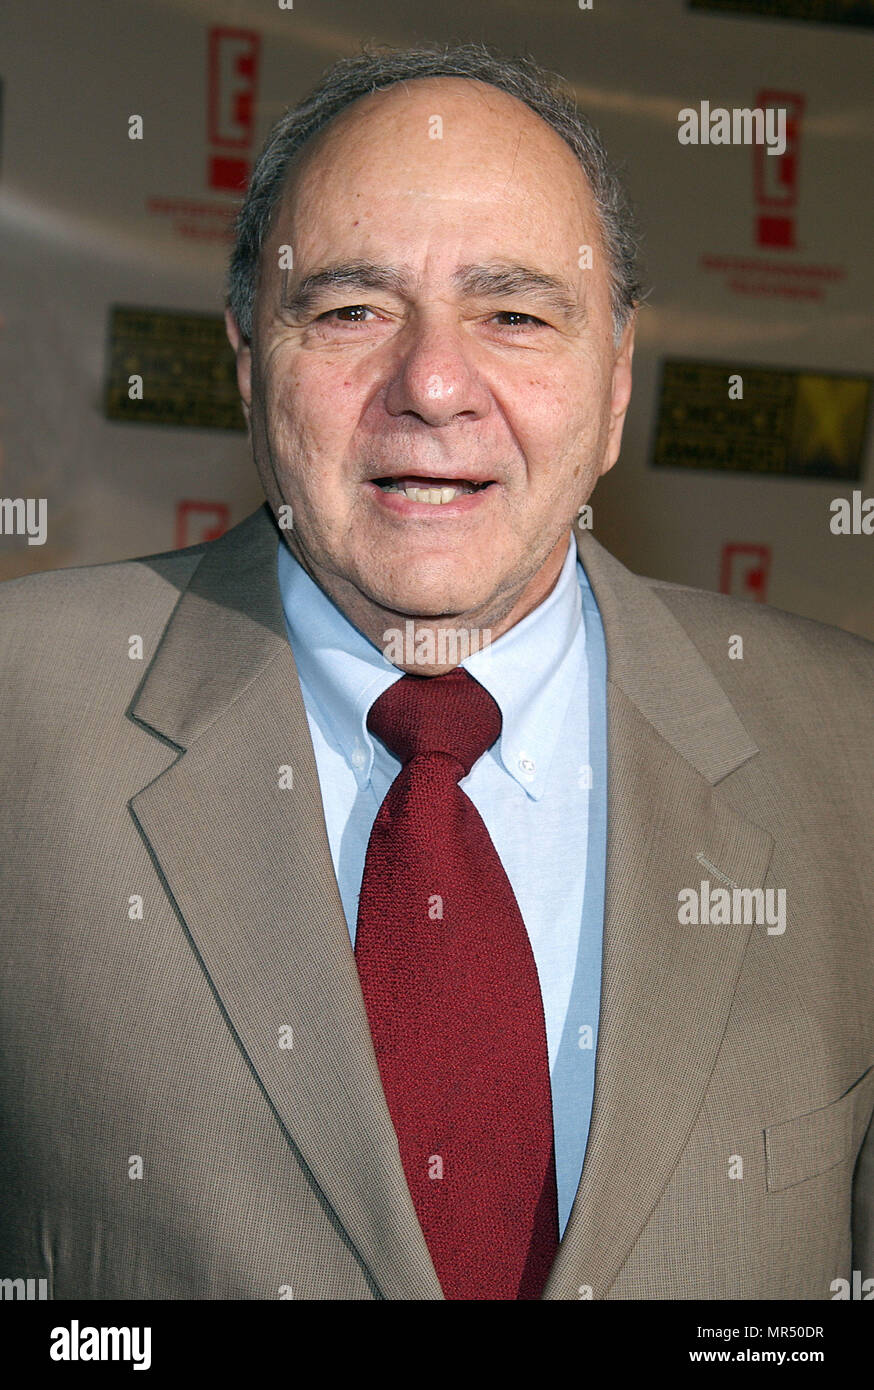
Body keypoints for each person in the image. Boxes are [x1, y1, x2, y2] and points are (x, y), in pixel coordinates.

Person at [0, 43, 871, 1302]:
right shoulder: (21, 718)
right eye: (350, 309)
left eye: (514, 313)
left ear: (617, 381)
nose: (434, 384)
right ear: (249, 362)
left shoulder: (846, 750)